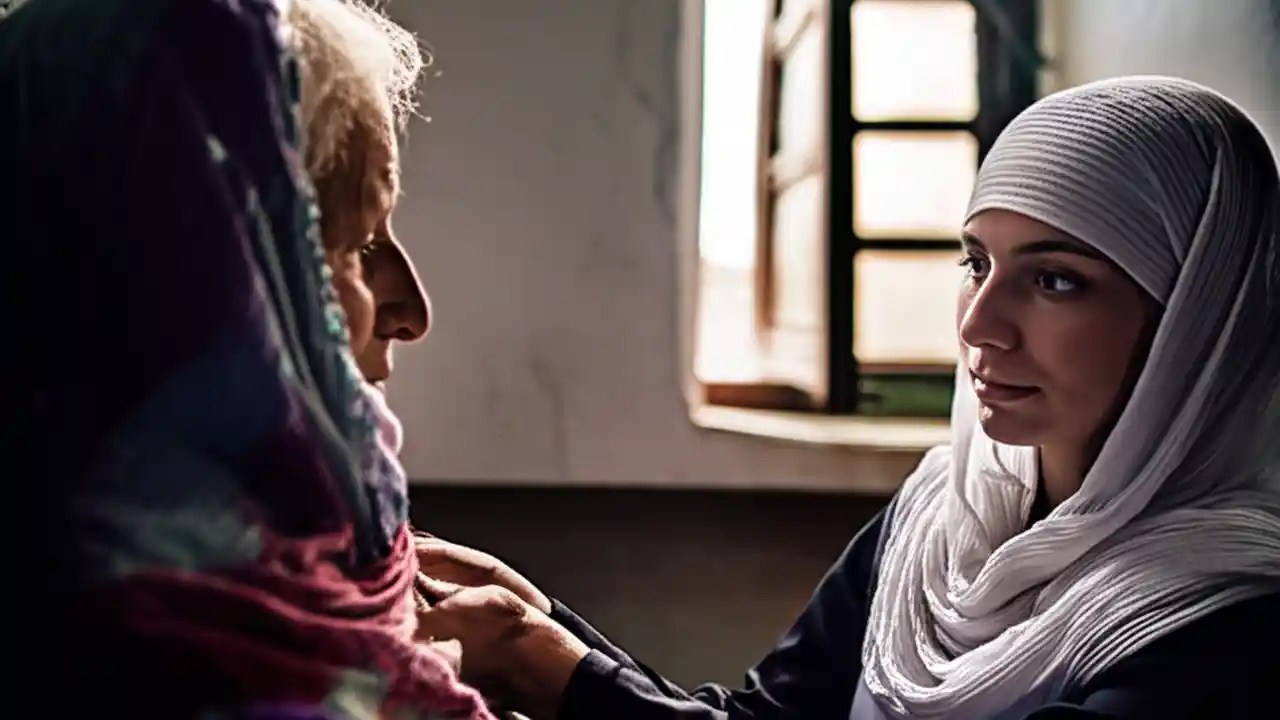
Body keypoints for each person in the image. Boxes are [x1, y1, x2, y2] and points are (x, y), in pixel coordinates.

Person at [412, 76, 1280, 719]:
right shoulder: (942, 522)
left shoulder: (1224, 619)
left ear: (1200, 320)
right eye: (975, 263)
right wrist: (541, 621)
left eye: (1055, 281)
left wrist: (549, 668)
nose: (980, 325)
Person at [9, 0, 488, 716]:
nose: (412, 313)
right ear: (187, 282)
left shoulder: (317, 595)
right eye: (351, 245)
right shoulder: (146, 661)